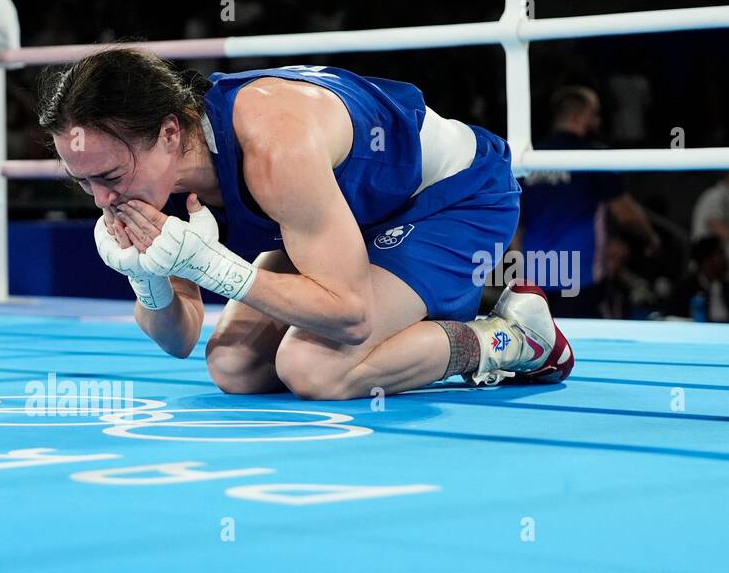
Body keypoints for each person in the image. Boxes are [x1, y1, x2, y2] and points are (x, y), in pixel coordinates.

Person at [37, 49, 573, 400]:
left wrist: (215, 269)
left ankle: (513, 338)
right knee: (233, 366)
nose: (103, 200)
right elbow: (181, 341)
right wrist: (149, 278)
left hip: (452, 199)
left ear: (171, 134)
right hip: (352, 215)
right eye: (84, 182)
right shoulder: (156, 177)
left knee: (315, 367)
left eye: (109, 175)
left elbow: (351, 315)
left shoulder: (275, 148)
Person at [519, 86, 662, 318]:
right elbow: (626, 213)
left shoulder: (528, 158)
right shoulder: (593, 156)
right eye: (594, 114)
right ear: (579, 115)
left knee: (541, 350)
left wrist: (519, 270)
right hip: (582, 276)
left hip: (535, 277)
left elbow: (515, 220)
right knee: (580, 346)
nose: (598, 121)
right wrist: (651, 238)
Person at [669, 236, 728, 322]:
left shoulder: (726, 288)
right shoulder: (685, 289)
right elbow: (675, 318)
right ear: (706, 259)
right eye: (720, 253)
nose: (724, 258)